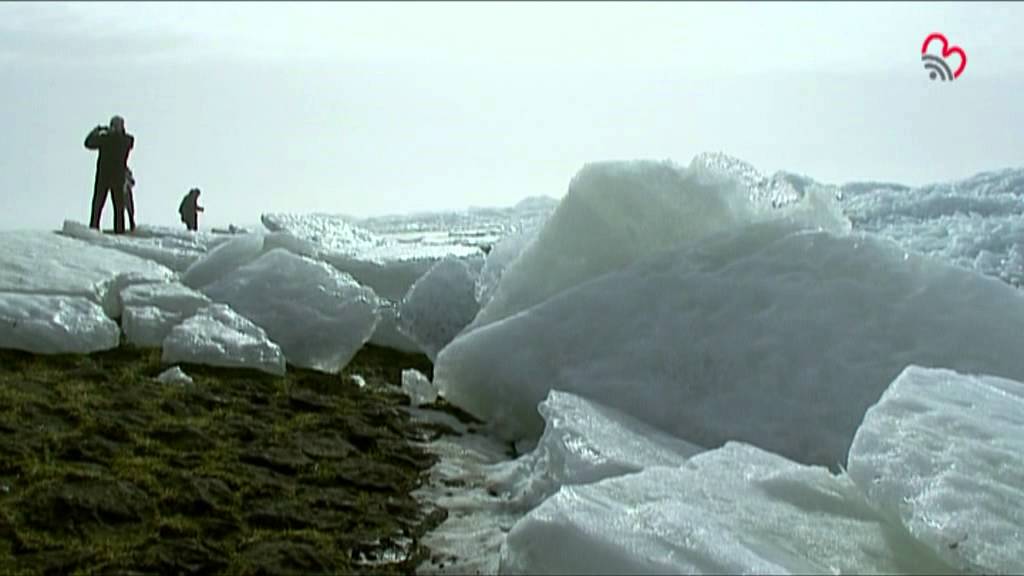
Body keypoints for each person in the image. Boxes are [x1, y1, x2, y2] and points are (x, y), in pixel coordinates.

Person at [84, 115, 134, 234]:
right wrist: (99, 132)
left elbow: (89, 142)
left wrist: (98, 131)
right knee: (99, 205)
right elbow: (87, 144)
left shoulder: (120, 139)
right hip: (106, 177)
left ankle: (117, 231)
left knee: (117, 207)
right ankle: (95, 228)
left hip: (112, 177)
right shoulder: (109, 139)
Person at [123, 167, 137, 232]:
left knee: (130, 210)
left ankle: (132, 226)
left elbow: (132, 182)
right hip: (121, 191)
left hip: (126, 192)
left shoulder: (127, 171)